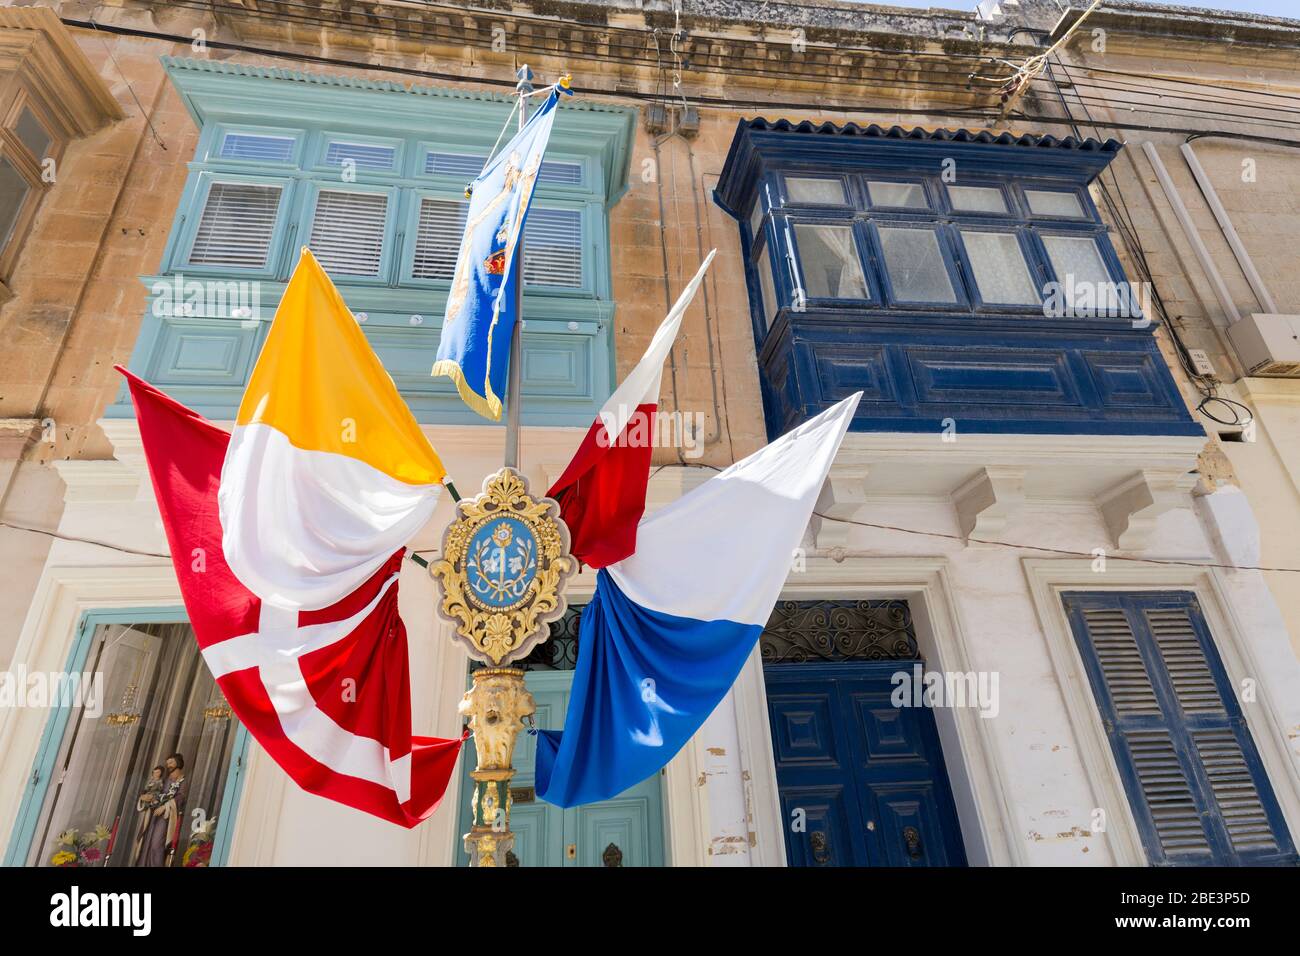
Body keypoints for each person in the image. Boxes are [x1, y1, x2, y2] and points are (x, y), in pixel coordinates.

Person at [132, 753, 188, 867]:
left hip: (167, 818)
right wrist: (149, 797)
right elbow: (157, 794)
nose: (169, 765)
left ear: (178, 763)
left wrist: (164, 806)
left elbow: (180, 797)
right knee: (147, 842)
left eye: (171, 762)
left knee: (156, 845)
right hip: (155, 815)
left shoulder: (182, 781)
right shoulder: (165, 780)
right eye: (167, 763)